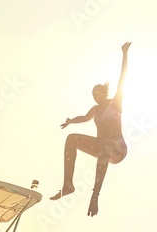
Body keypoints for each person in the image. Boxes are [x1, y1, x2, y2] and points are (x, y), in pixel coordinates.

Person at [51, 42, 131, 217]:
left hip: (118, 148)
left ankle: (95, 196)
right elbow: (85, 118)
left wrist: (124, 53)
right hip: (101, 145)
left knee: (107, 144)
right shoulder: (95, 110)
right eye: (93, 95)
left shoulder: (115, 102)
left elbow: (122, 79)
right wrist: (71, 121)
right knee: (71, 139)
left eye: (98, 93)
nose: (95, 97)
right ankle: (68, 184)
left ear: (104, 93)